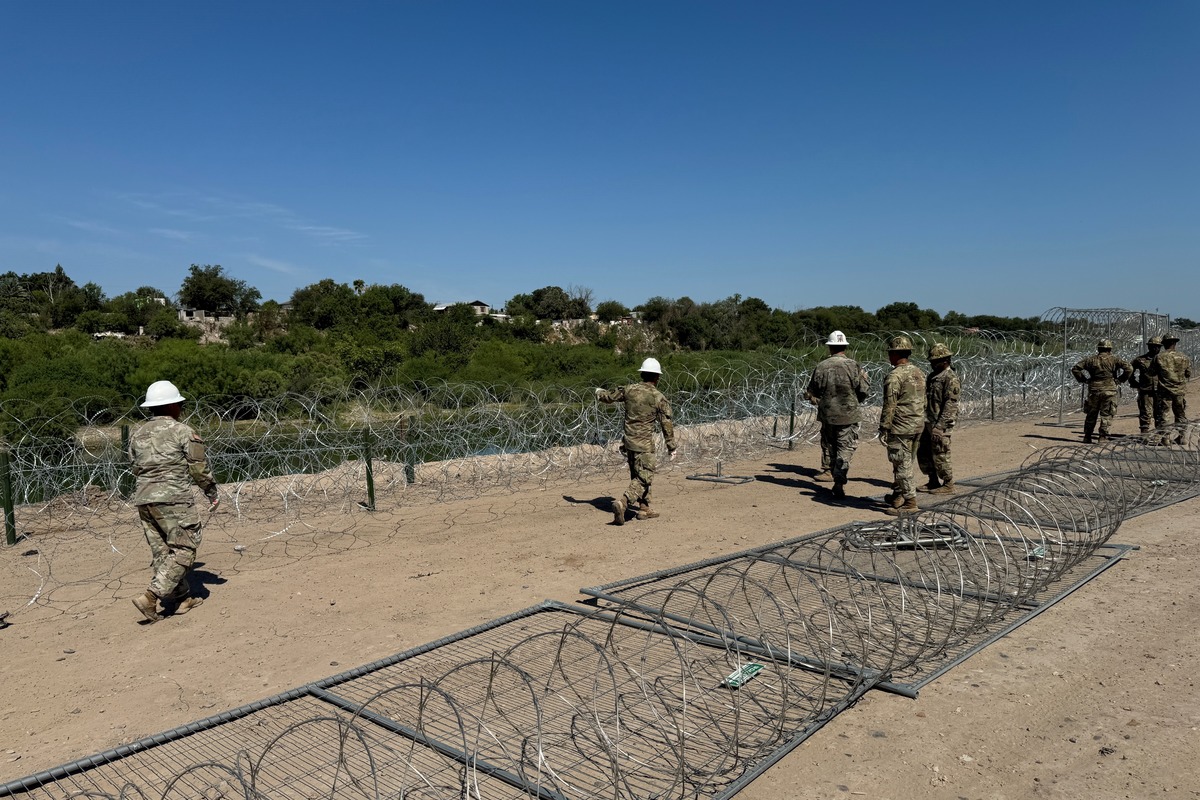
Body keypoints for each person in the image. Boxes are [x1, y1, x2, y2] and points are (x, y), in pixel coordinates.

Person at [129, 380, 220, 622]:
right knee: (186, 548)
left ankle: (182, 598)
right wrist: (211, 491)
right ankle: (150, 597)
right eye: (179, 404)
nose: (181, 408)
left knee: (163, 551)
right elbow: (198, 468)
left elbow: (135, 467)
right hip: (173, 498)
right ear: (171, 406)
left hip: (144, 498)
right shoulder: (183, 431)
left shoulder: (137, 434)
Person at [596, 358, 677, 525]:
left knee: (637, 475)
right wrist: (671, 447)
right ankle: (623, 503)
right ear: (657, 377)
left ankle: (644, 508)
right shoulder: (658, 397)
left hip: (629, 442)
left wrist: (598, 392)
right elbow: (666, 424)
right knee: (644, 477)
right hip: (644, 444)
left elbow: (609, 397)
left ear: (642, 374)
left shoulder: (629, 390)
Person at [804, 330, 870, 500]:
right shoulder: (854, 366)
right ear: (844, 346)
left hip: (828, 414)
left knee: (830, 446)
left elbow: (812, 391)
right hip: (848, 414)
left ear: (830, 347)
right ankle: (839, 480)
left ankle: (832, 472)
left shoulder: (821, 366)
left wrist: (819, 400)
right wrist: (853, 401)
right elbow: (864, 390)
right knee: (845, 447)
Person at [879, 335, 926, 516]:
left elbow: (889, 405)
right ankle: (898, 495)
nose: (889, 356)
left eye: (890, 353)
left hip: (901, 426)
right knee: (906, 460)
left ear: (896, 354)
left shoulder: (894, 376)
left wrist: (884, 427)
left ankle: (910, 502)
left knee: (901, 463)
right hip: (917, 423)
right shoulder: (918, 372)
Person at [917, 342, 961, 494]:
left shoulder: (950, 378)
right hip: (928, 420)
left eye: (935, 361)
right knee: (924, 451)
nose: (932, 364)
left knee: (941, 452)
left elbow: (951, 404)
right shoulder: (933, 376)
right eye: (932, 361)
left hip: (941, 423)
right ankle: (933, 480)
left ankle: (948, 484)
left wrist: (940, 426)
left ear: (945, 361)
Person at [1070, 340, 1133, 442]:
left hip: (1094, 389)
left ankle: (1087, 436)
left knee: (1091, 413)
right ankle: (1102, 437)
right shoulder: (1114, 359)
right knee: (1106, 414)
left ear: (1098, 349)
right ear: (1110, 349)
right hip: (1109, 390)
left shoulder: (1090, 360)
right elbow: (1129, 368)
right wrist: (1120, 380)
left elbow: (1075, 369)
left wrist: (1084, 380)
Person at [1150, 333, 1191, 442]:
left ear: (1164, 344)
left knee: (1164, 413)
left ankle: (1165, 438)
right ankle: (1182, 437)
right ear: (1175, 343)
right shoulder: (1184, 357)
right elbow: (1188, 374)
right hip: (1179, 390)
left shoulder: (1159, 357)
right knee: (1180, 413)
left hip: (1164, 390)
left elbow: (1151, 372)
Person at [1129, 336, 1164, 434]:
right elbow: (1129, 369)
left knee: (1160, 413)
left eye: (1157, 346)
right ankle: (1144, 433)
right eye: (1153, 346)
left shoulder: (1164, 359)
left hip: (1160, 390)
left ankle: (1160, 434)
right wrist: (1133, 382)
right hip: (1146, 390)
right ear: (1149, 347)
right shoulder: (1141, 360)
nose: (1155, 348)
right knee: (1145, 412)